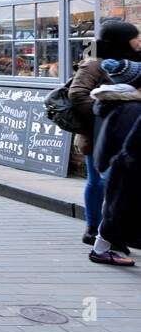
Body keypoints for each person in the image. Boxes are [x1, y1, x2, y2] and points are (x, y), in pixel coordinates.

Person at [69, 20, 141, 244]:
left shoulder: (135, 60)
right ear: (122, 40)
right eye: (135, 37)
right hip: (98, 133)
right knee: (99, 181)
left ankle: (116, 233)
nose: (139, 41)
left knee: (122, 184)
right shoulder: (93, 63)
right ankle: (93, 228)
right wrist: (108, 115)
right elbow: (77, 94)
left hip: (129, 131)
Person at [87, 58, 141, 266]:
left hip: (113, 162)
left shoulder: (116, 100)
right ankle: (100, 250)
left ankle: (102, 247)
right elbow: (130, 144)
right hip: (122, 164)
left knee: (114, 206)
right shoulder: (131, 108)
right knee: (116, 207)